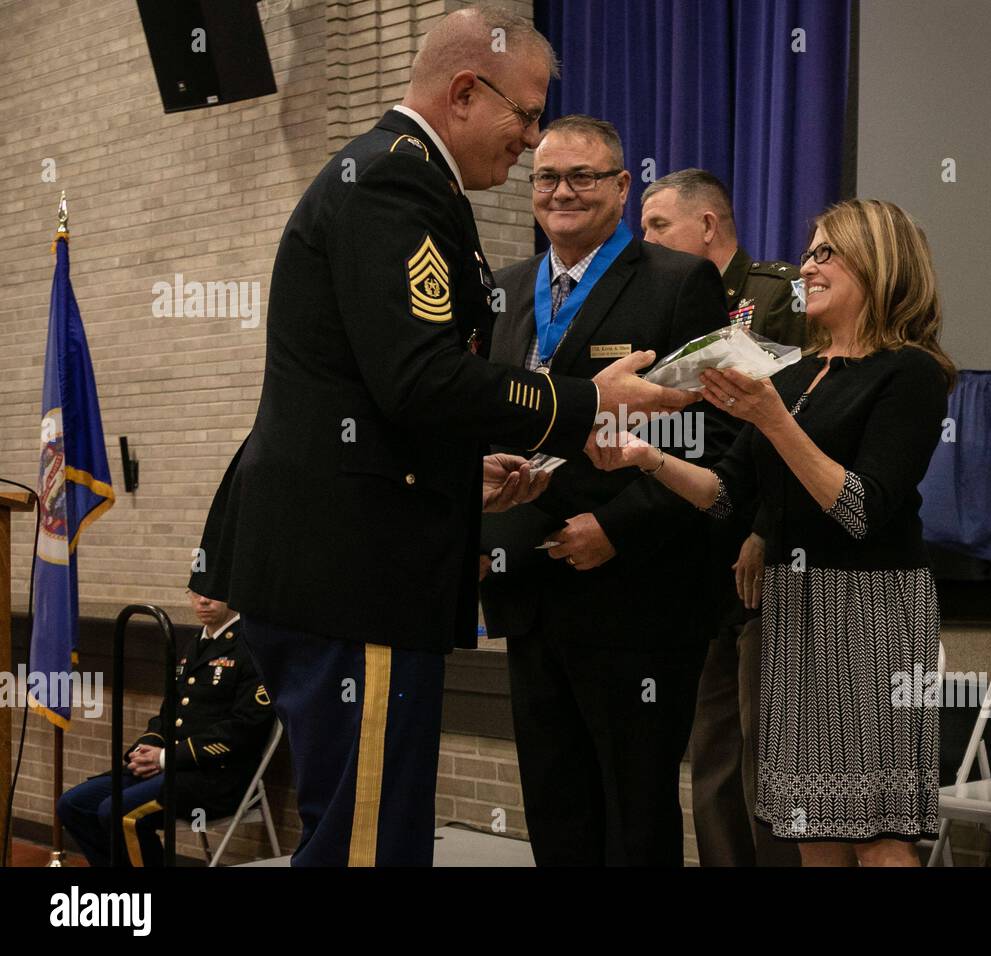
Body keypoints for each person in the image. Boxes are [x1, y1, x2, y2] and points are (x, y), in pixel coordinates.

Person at [189, 8, 693, 867]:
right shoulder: (398, 181)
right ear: (466, 91)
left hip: (349, 564)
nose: (532, 143)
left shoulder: (399, 175)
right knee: (368, 849)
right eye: (528, 116)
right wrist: (585, 403)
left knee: (366, 838)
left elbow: (395, 396)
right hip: (358, 574)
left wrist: (468, 471)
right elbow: (419, 375)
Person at [588, 199, 956, 866]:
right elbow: (727, 494)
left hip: (870, 612)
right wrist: (647, 458)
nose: (808, 267)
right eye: (809, 252)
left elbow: (860, 508)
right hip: (793, 609)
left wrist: (773, 418)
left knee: (876, 835)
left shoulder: (911, 372)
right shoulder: (792, 373)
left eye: (825, 254)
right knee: (810, 824)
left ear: (877, 264)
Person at [478, 117, 736, 865]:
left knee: (633, 815)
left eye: (584, 176)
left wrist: (619, 526)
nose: (563, 192)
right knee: (555, 813)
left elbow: (711, 442)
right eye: (548, 177)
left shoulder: (677, 281)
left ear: (623, 187)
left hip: (637, 595)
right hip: (528, 586)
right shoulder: (504, 291)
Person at [641, 168, 803, 866]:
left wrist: (766, 526)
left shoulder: (771, 294)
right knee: (710, 748)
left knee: (763, 747)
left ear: (708, 225)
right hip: (693, 546)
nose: (643, 240)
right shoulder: (661, 303)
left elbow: (799, 420)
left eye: (657, 226)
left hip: (759, 547)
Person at [56, 590, 273, 866]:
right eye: (196, 594)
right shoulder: (197, 643)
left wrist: (164, 758)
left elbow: (245, 731)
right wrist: (149, 748)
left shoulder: (251, 647)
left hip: (218, 778)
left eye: (213, 594)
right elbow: (168, 713)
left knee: (117, 812)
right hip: (172, 767)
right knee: (73, 805)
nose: (203, 601)